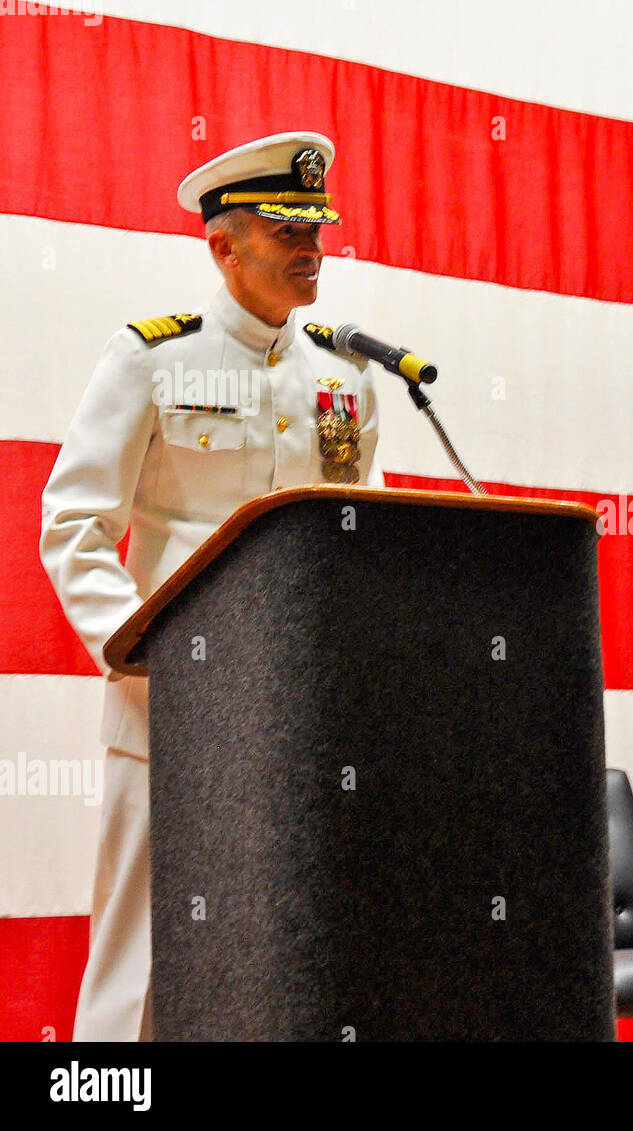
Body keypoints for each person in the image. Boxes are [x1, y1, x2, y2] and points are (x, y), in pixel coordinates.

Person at [40, 132, 383, 1041]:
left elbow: (362, 538)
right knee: (140, 966)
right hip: (174, 712)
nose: (312, 249)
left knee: (288, 952)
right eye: (285, 229)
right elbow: (73, 522)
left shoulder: (346, 378)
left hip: (302, 721)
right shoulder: (151, 359)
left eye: (318, 228)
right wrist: (143, 651)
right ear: (222, 246)